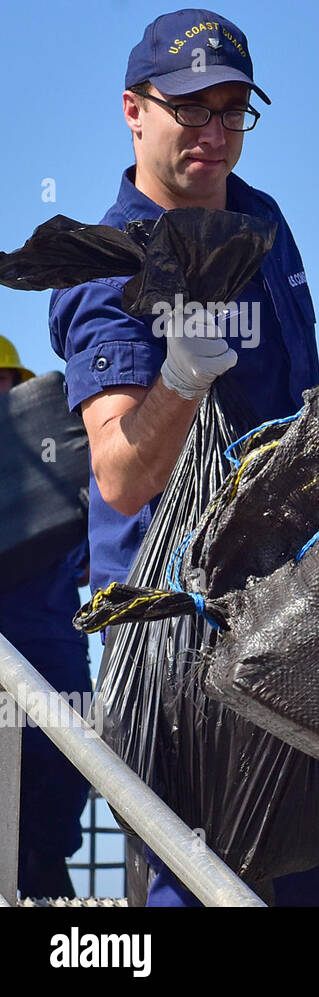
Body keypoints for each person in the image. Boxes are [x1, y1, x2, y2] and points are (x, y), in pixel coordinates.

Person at [48, 9, 319, 906]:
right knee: (200, 880)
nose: (214, 134)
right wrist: (185, 377)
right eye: (190, 110)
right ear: (133, 109)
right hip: (180, 643)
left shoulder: (262, 217)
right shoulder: (105, 266)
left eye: (233, 111)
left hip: (296, 619)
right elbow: (122, 476)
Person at [0, 338, 93, 900]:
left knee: (63, 752)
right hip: (23, 633)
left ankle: (44, 859)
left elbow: (82, 556)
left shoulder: (44, 460)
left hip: (50, 635)